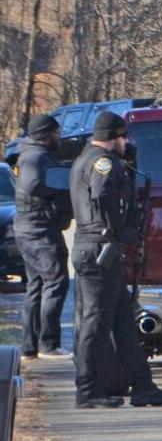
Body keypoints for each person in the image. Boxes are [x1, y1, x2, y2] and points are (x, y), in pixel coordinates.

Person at [69, 111, 162, 409]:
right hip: (99, 249)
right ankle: (87, 390)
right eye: (123, 137)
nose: (127, 142)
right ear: (114, 137)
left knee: (123, 323)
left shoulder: (86, 158)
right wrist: (117, 229)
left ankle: (144, 387)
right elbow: (103, 195)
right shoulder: (102, 162)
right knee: (95, 322)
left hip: (100, 248)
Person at [13, 115, 73, 360]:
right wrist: (62, 189)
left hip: (32, 228)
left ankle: (30, 347)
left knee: (36, 286)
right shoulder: (35, 157)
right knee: (56, 281)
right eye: (57, 134)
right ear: (46, 135)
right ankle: (48, 344)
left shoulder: (32, 155)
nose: (59, 138)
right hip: (38, 229)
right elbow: (32, 185)